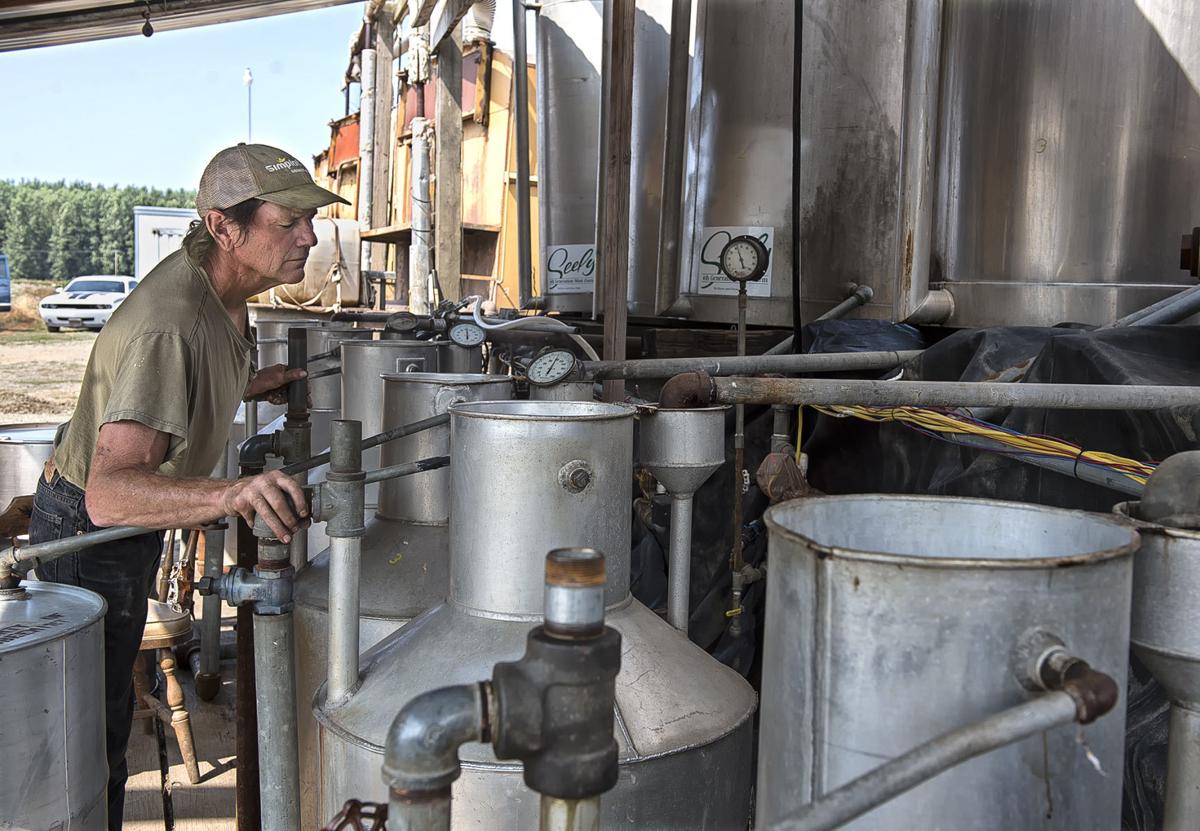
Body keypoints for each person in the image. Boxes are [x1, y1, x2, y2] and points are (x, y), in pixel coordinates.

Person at [28, 143, 350, 830]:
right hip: (89, 537)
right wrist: (230, 494)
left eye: (310, 220)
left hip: (121, 531)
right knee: (94, 745)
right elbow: (110, 493)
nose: (310, 236)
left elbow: (205, 377)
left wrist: (260, 382)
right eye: (290, 220)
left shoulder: (228, 296)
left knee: (101, 728)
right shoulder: (170, 324)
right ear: (223, 226)